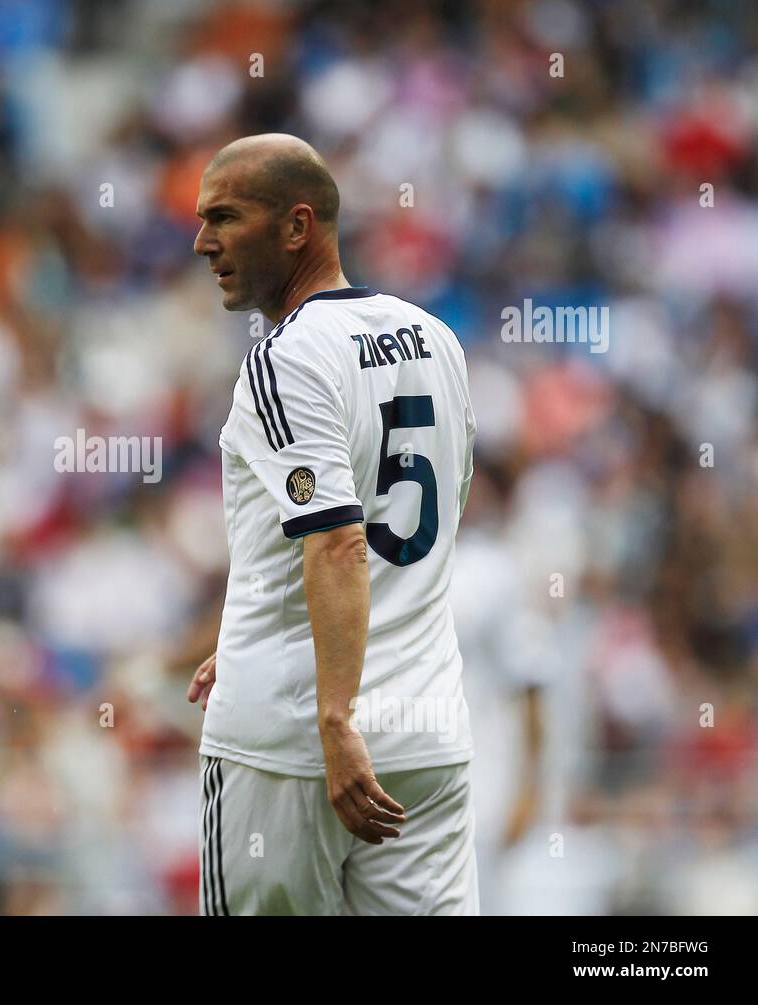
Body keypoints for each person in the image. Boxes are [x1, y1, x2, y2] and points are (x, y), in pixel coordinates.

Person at [187, 134, 479, 915]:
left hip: (297, 748)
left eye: (224, 217)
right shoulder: (435, 339)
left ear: (296, 226)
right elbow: (418, 523)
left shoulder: (284, 357)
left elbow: (340, 538)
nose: (202, 241)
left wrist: (335, 716)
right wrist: (263, 617)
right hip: (423, 736)